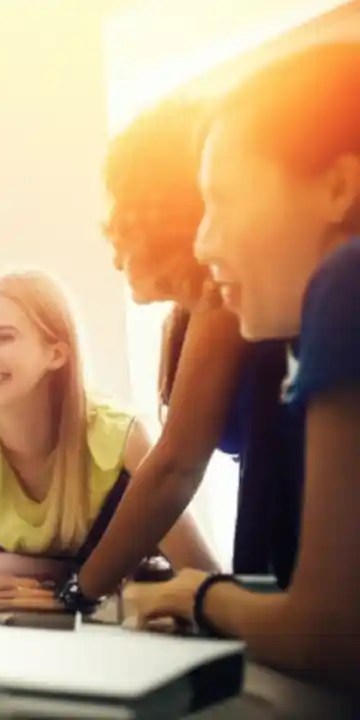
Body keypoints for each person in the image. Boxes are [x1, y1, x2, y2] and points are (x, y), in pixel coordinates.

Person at [131, 43, 360, 690]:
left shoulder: (346, 280)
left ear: (338, 188)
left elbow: (329, 637)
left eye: (222, 201)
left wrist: (196, 595)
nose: (203, 242)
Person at [66, 96, 300, 607]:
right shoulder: (202, 311)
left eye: (122, 205)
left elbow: (174, 467)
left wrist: (79, 595)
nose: (113, 231)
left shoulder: (232, 302)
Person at [0, 271, 213, 605]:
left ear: (56, 354)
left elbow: (204, 574)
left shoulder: (120, 433)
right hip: (23, 631)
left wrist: (33, 573)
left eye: (3, 337)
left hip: (122, 625)